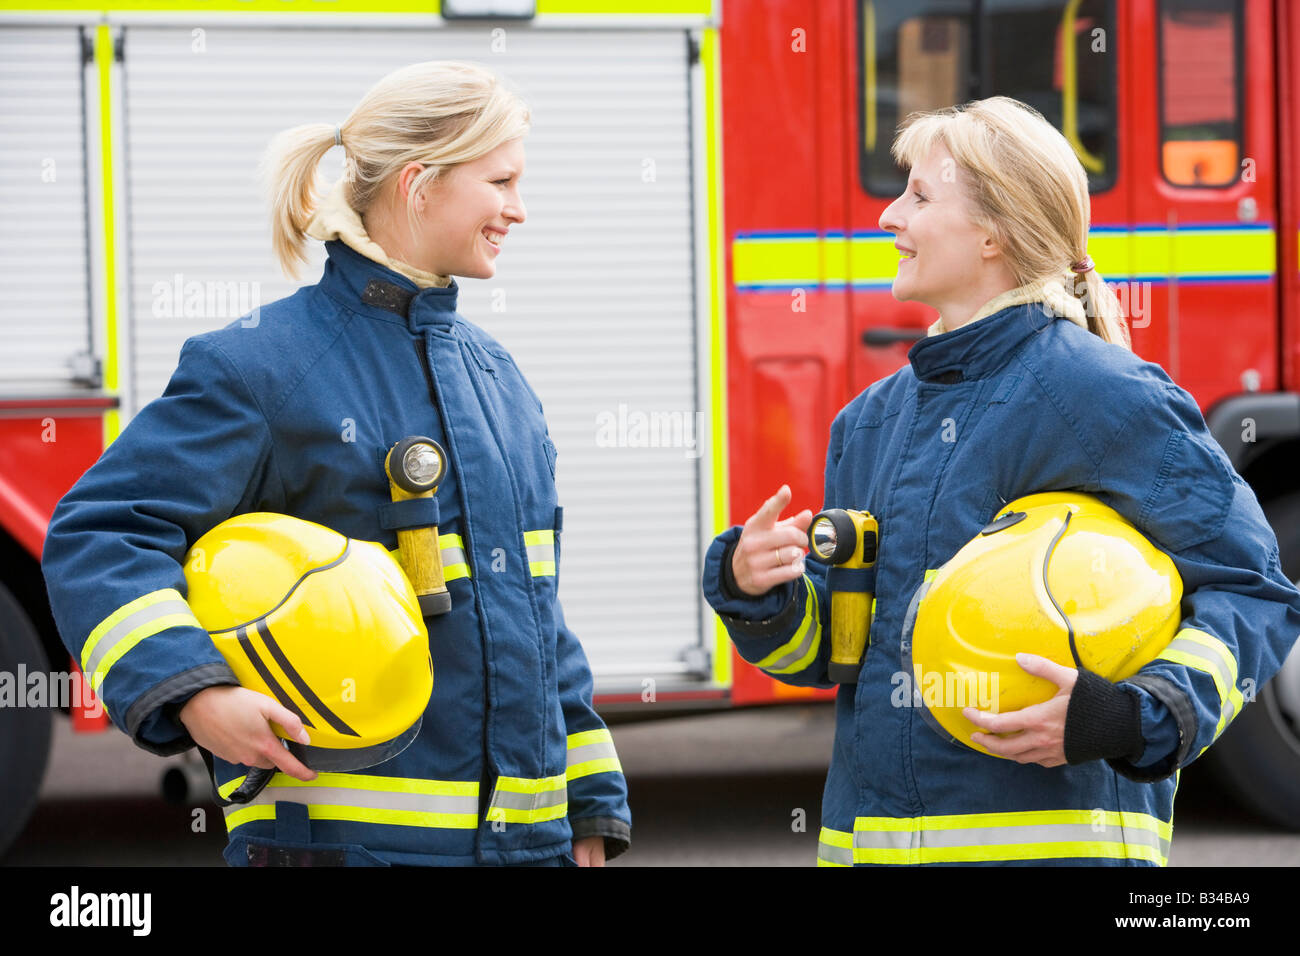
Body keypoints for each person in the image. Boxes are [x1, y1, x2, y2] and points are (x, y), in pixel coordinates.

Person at [42, 60, 631, 867]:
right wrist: (199, 693)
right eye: (501, 181)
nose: (518, 210)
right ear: (420, 183)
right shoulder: (265, 367)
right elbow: (101, 533)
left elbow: (537, 612)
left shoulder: (500, 382)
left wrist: (589, 812)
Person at [701, 96, 1300, 866]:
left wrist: (1130, 717)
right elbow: (841, 654)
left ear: (994, 232)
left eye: (918, 196)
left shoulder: (1102, 396)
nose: (889, 216)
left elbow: (1252, 588)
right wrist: (762, 593)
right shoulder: (869, 423)